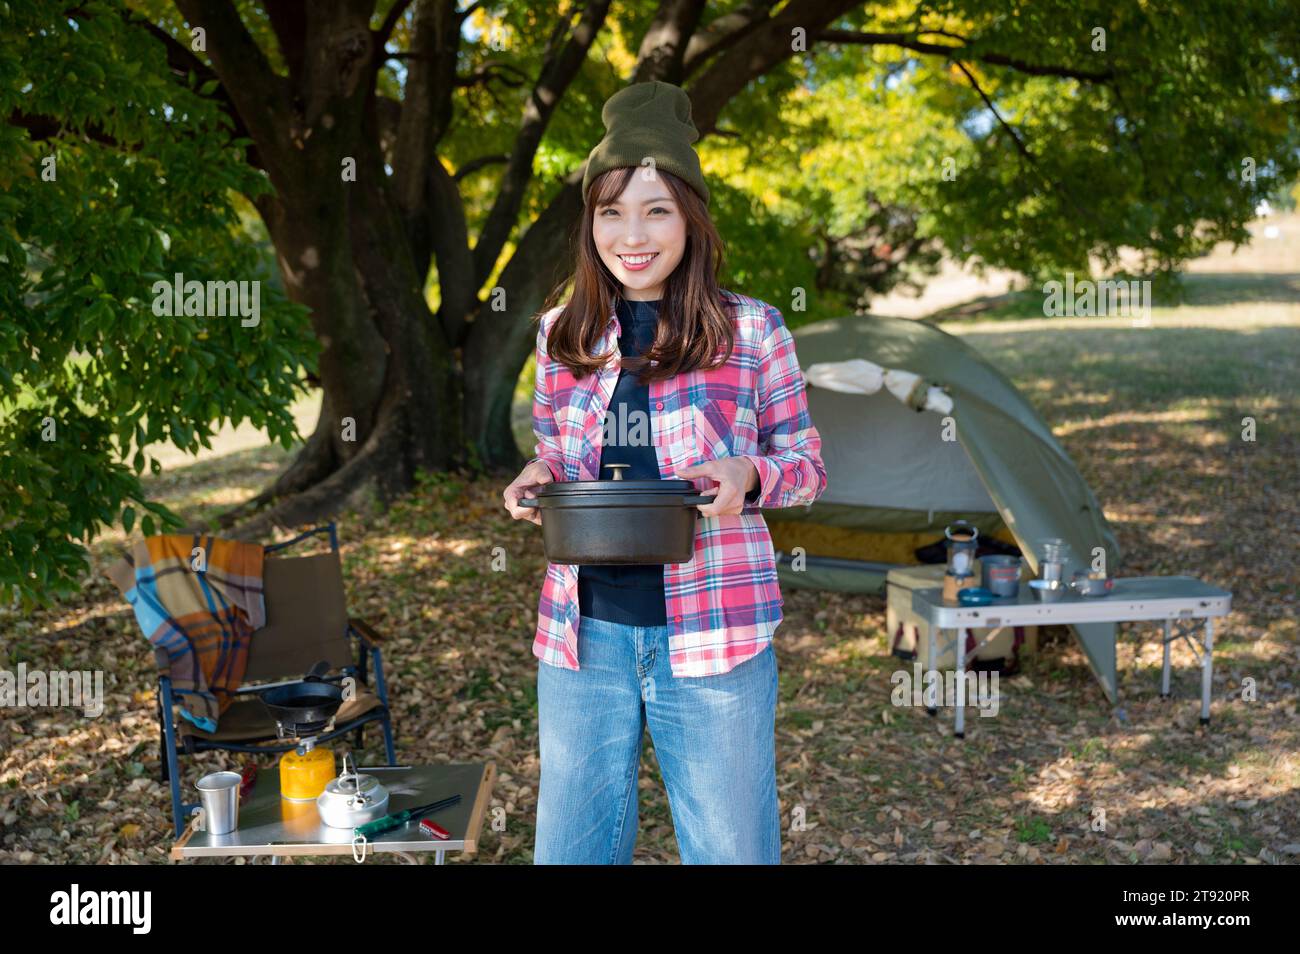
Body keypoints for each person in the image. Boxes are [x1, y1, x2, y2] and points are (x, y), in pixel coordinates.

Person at [502, 80, 827, 864]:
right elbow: (556, 450)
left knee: (730, 851)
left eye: (655, 209)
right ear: (591, 224)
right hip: (584, 640)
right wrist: (532, 476)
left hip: (716, 633)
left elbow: (807, 466)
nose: (631, 234)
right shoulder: (560, 333)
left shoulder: (751, 329)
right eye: (611, 211)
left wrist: (749, 475)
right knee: (570, 853)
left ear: (691, 216)